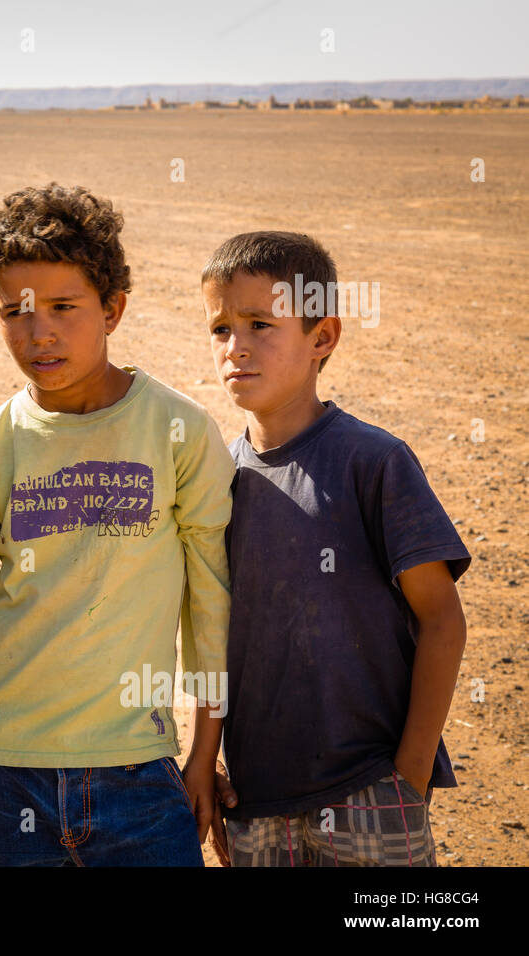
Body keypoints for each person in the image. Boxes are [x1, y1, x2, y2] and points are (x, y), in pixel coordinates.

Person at [0, 183, 233, 866]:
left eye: (65, 307)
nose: (40, 332)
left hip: (140, 775)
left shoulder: (177, 431)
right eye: (16, 311)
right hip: (2, 781)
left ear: (113, 309)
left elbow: (212, 605)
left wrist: (202, 756)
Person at [201, 231, 470, 866]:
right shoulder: (215, 479)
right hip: (256, 800)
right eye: (220, 328)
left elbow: (442, 618)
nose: (236, 348)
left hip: (371, 792)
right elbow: (207, 637)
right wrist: (204, 760)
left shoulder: (372, 462)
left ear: (322, 337)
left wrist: (407, 775)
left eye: (261, 324)